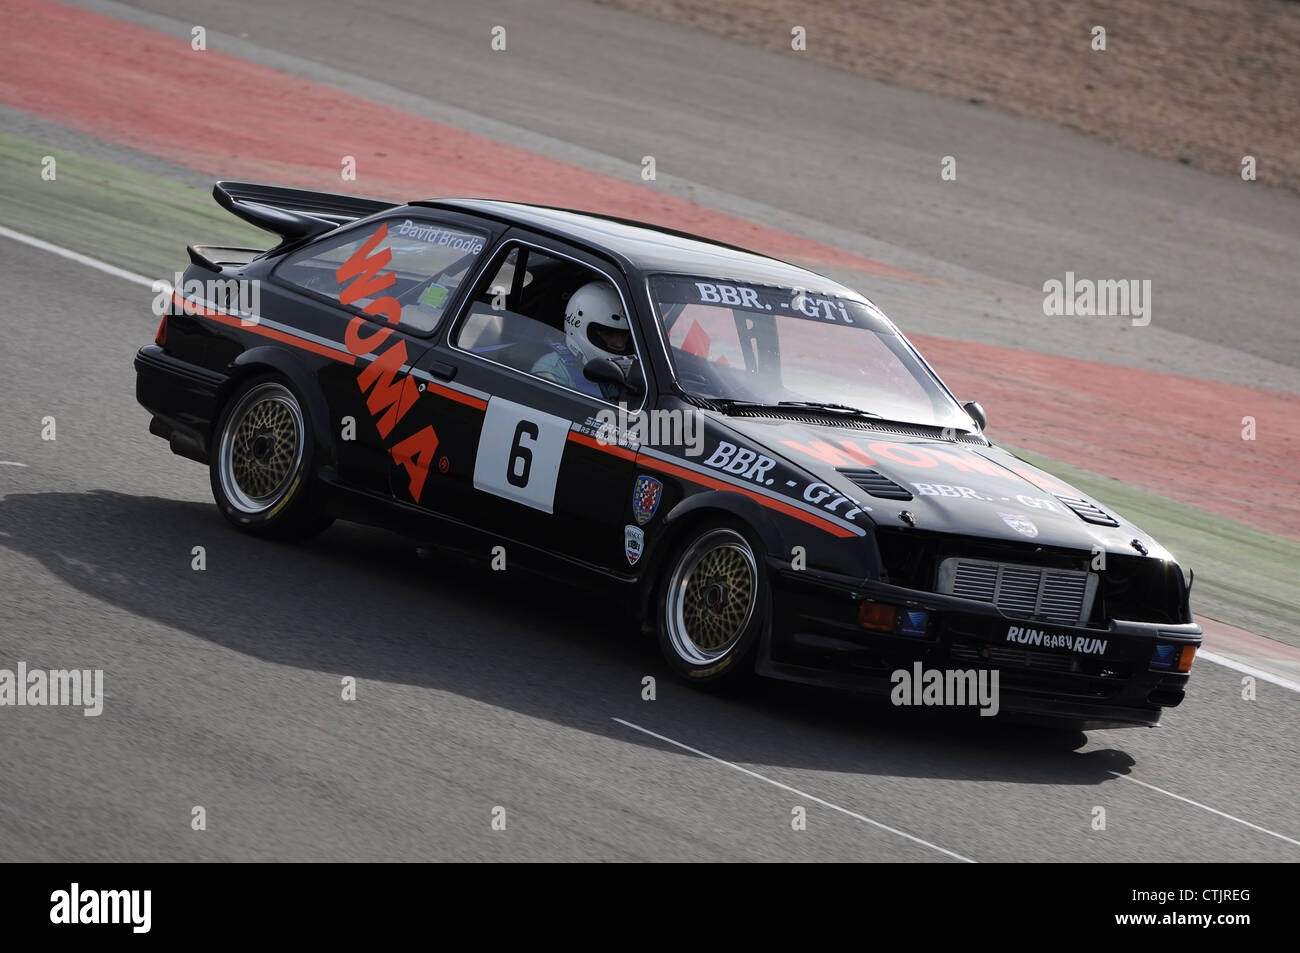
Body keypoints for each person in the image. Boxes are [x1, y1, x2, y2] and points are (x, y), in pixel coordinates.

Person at [531, 281, 635, 400]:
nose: (620, 343)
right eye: (609, 333)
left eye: (625, 334)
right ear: (578, 326)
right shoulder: (551, 373)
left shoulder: (639, 368)